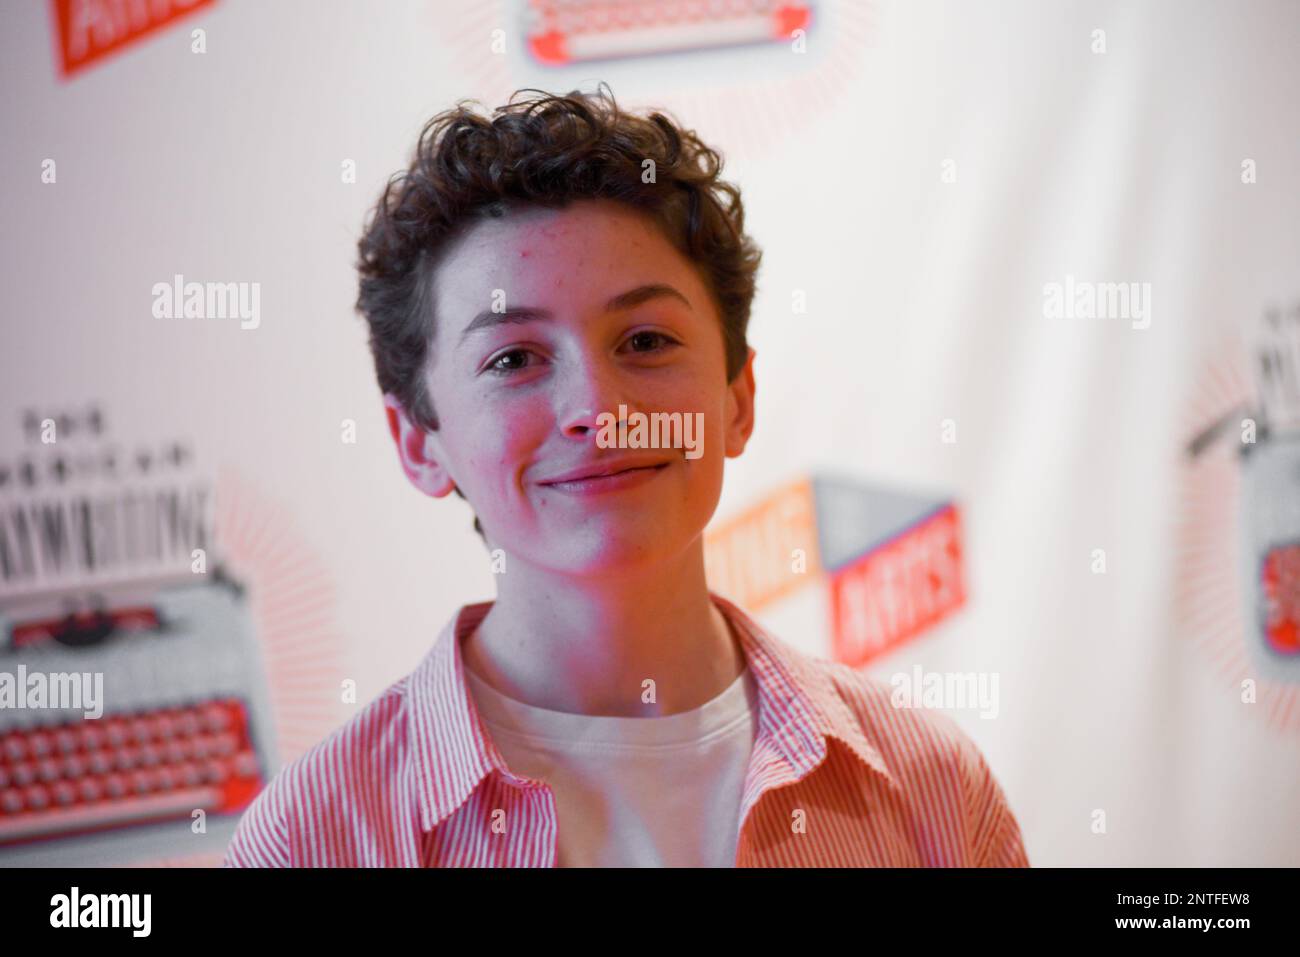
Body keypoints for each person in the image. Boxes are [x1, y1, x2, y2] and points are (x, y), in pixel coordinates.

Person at [223, 83, 1029, 868]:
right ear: (419, 442)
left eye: (645, 341)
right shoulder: (311, 842)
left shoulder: (935, 791)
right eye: (513, 359)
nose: (598, 409)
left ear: (737, 399)